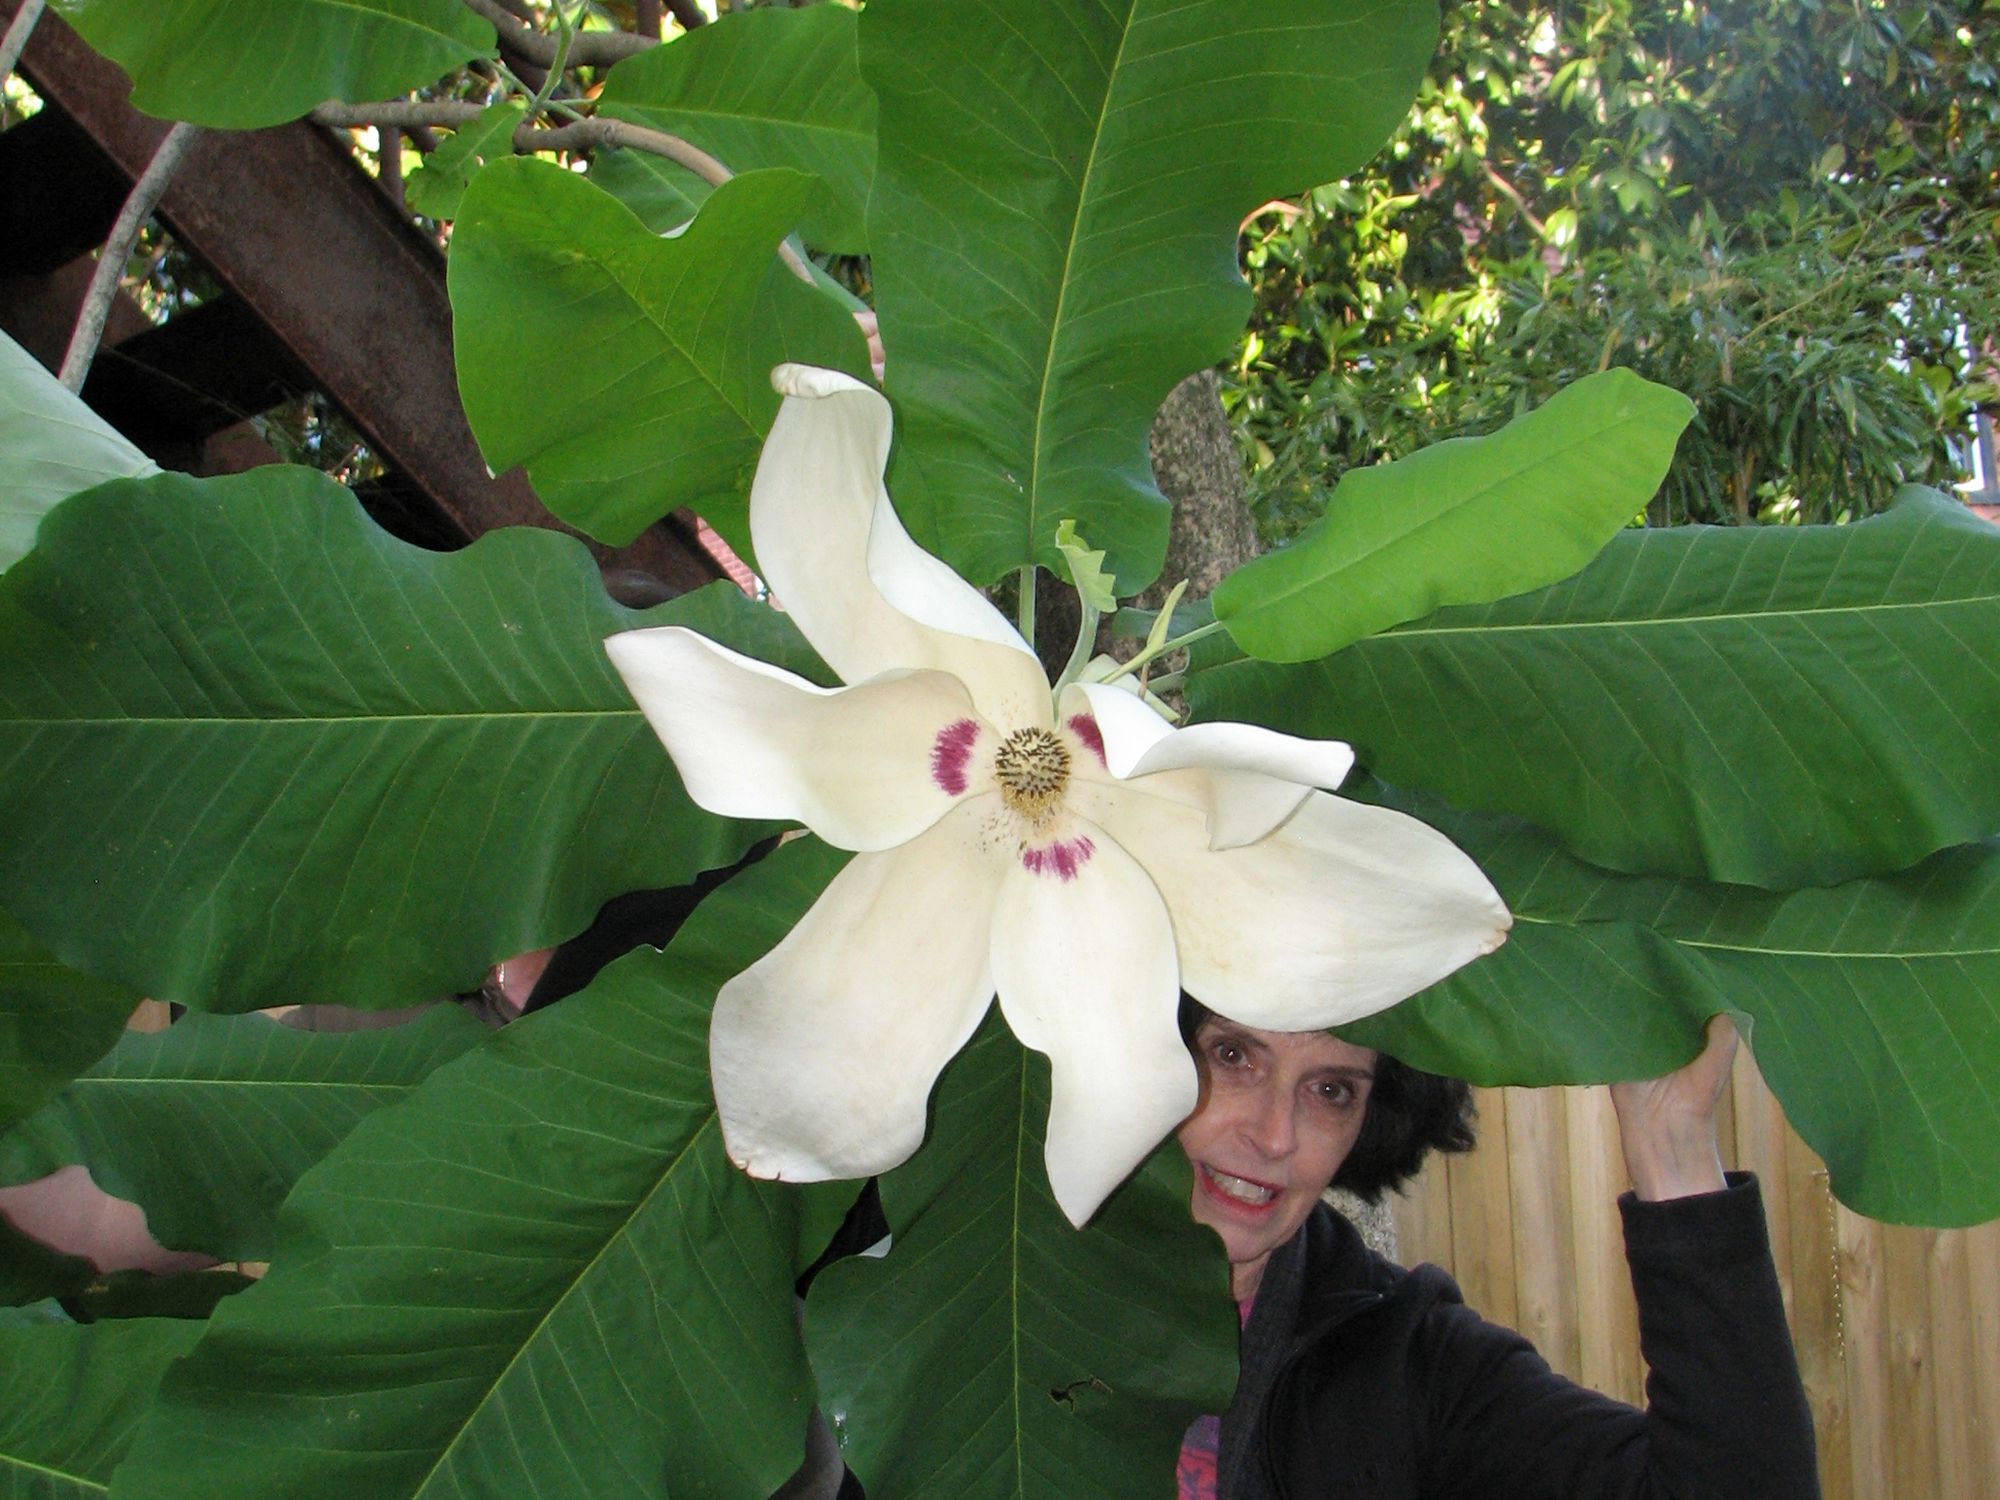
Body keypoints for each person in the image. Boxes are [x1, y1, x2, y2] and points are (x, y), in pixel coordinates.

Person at [1174, 999, 1821, 1500]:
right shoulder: (1066, 1293)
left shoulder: (1406, 1366)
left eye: (1331, 1090)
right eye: (1233, 1056)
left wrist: (1671, 1141)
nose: (1275, 1134)